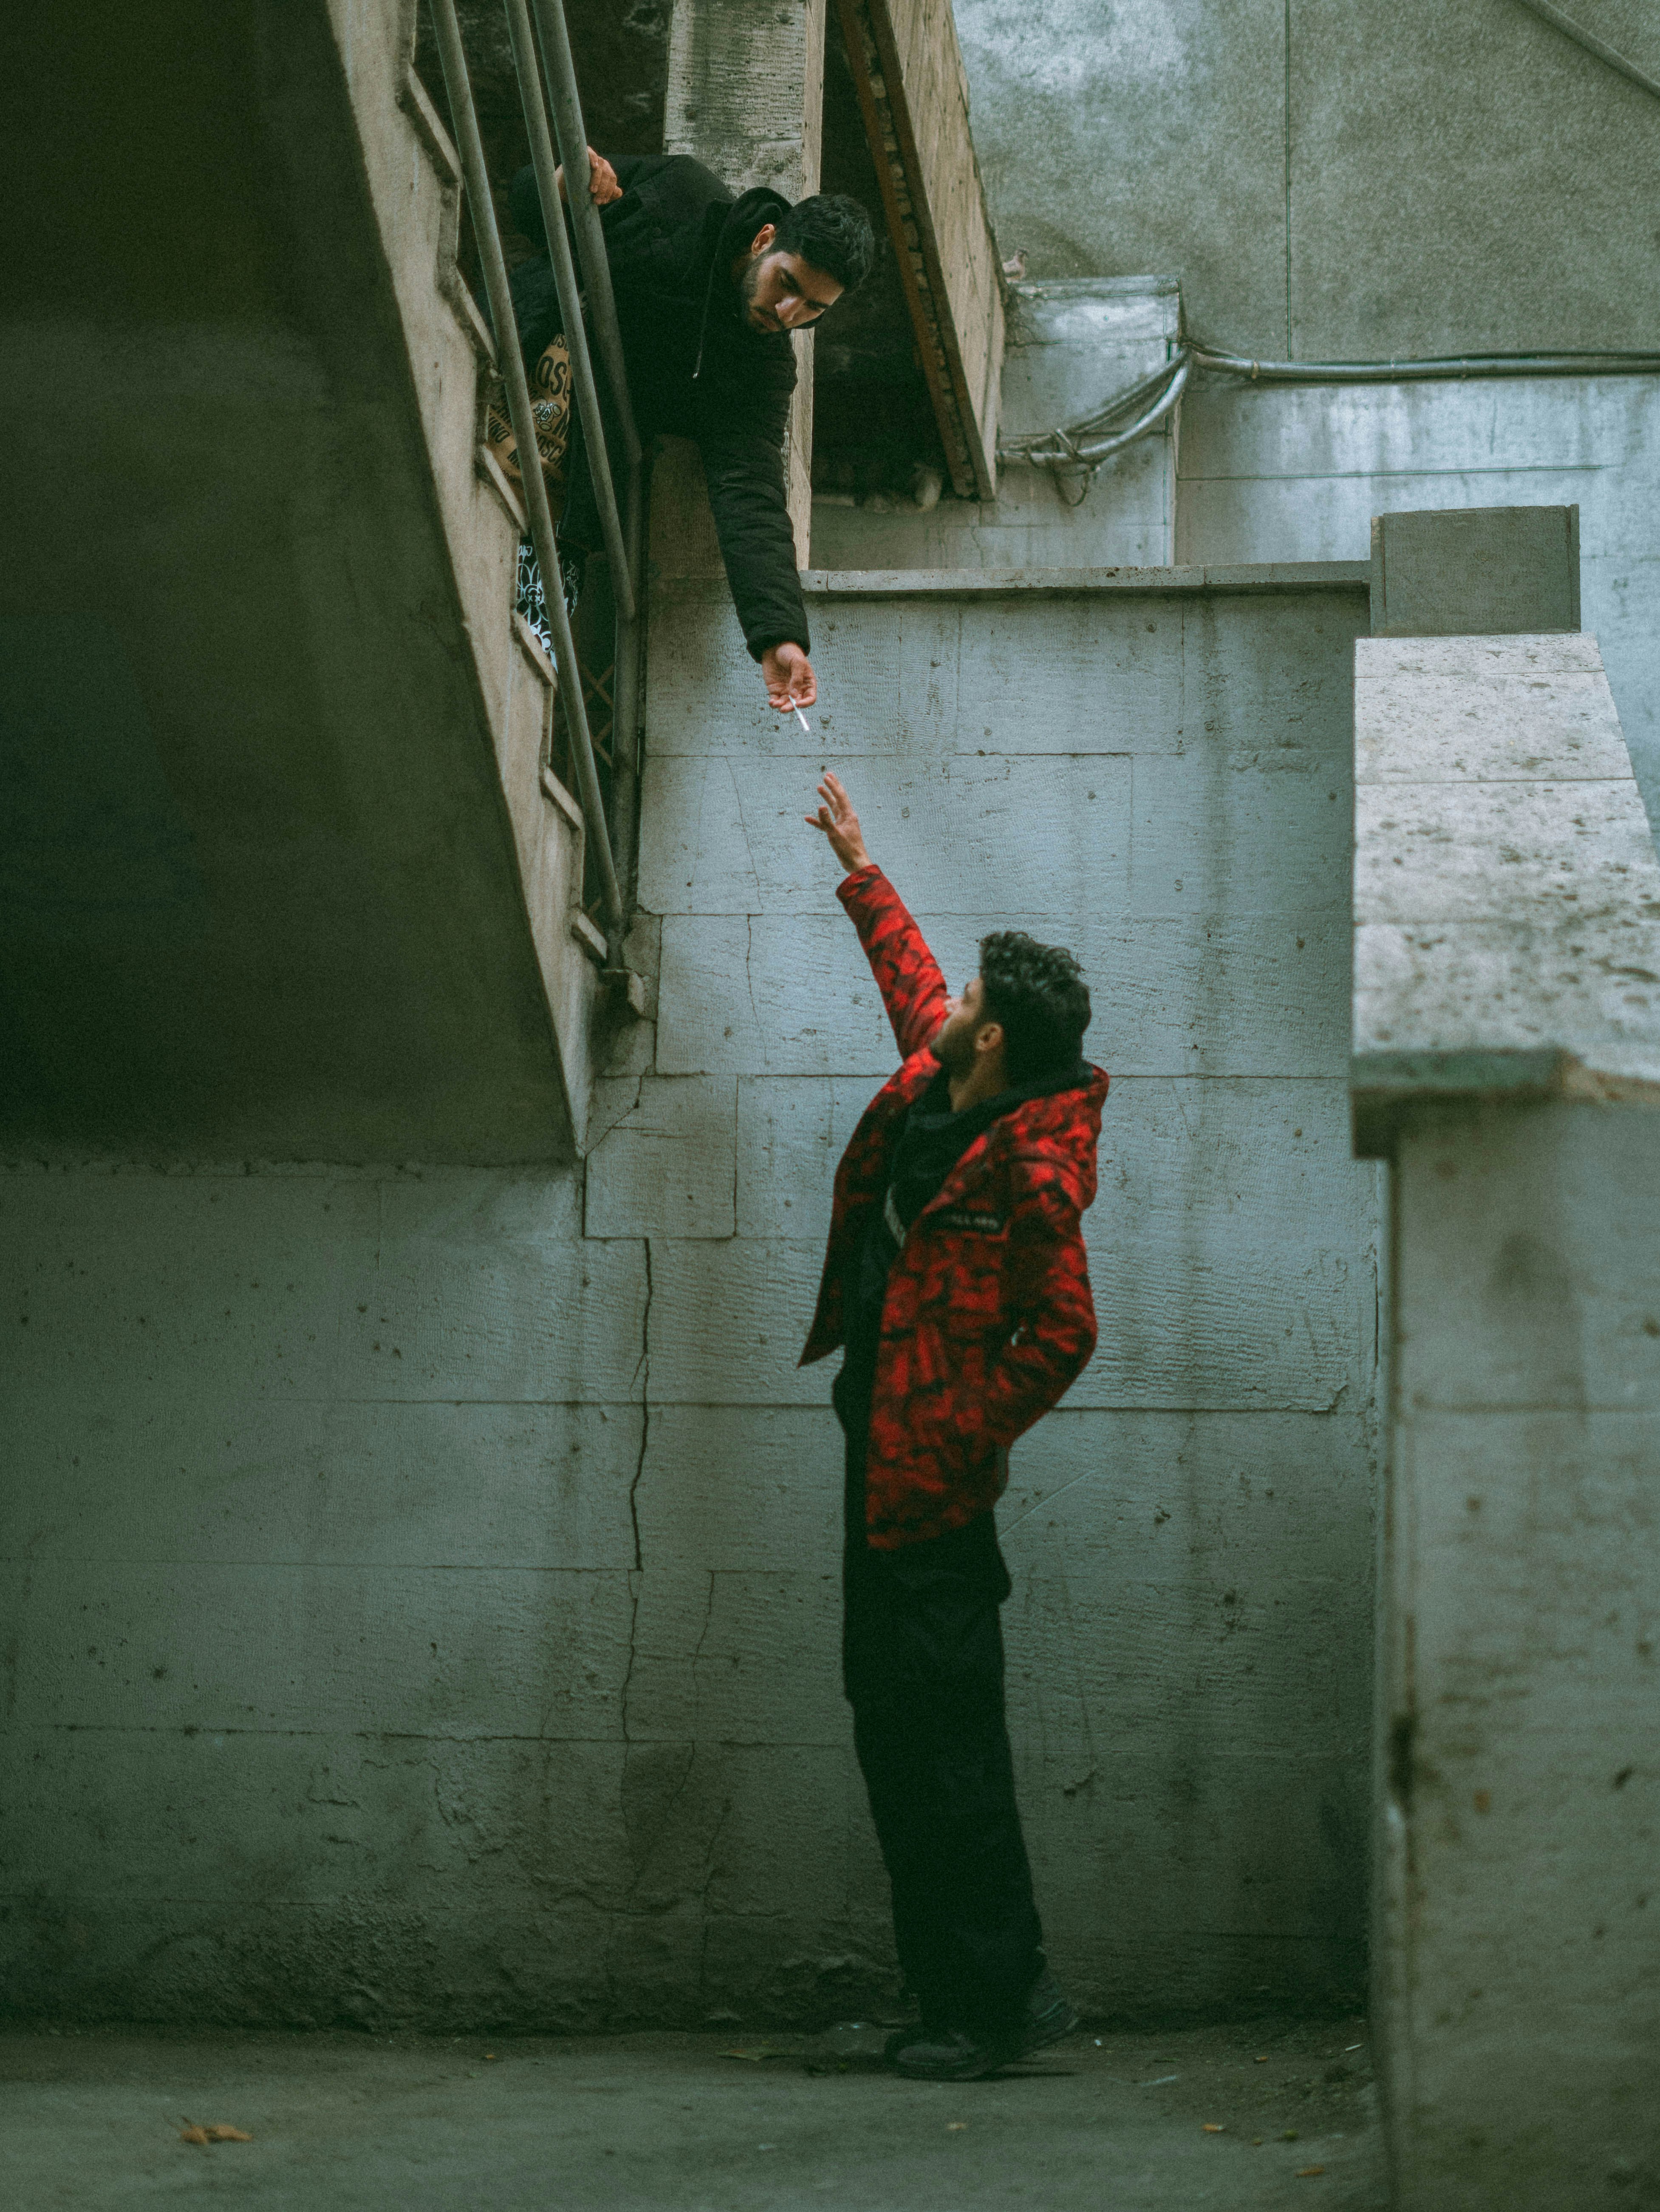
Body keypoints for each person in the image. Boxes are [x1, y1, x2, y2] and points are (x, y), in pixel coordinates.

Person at [801, 771, 1109, 2081]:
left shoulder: (1031, 1167)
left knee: (949, 1751)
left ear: (994, 1042)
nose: (951, 1007)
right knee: (888, 1719)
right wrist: (861, 864)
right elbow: (910, 979)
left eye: (973, 1003)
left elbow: (1066, 1330)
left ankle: (994, 2006)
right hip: (877, 1472)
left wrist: (959, 1430)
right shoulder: (945, 1084)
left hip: (929, 1493)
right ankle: (949, 1993)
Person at [506, 148, 874, 713]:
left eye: (814, 309)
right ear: (764, 240)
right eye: (788, 282)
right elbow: (527, 206)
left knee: (519, 662)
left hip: (569, 496)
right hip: (512, 361)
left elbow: (750, 491)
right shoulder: (682, 195)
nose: (789, 313)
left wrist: (780, 637)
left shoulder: (762, 369)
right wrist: (562, 183)